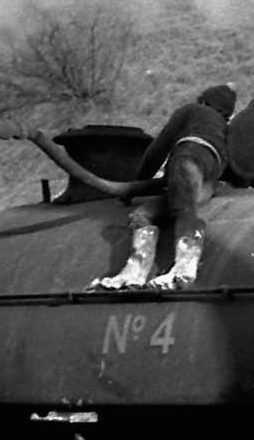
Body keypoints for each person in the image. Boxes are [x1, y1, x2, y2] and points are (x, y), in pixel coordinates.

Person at [91, 83, 239, 291]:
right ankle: (136, 272)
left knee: (180, 210)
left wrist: (135, 184)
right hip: (208, 184)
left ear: (205, 102)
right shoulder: (227, 131)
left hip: (187, 160)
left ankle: (181, 271)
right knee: (145, 214)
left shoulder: (192, 110)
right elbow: (239, 169)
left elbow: (157, 151)